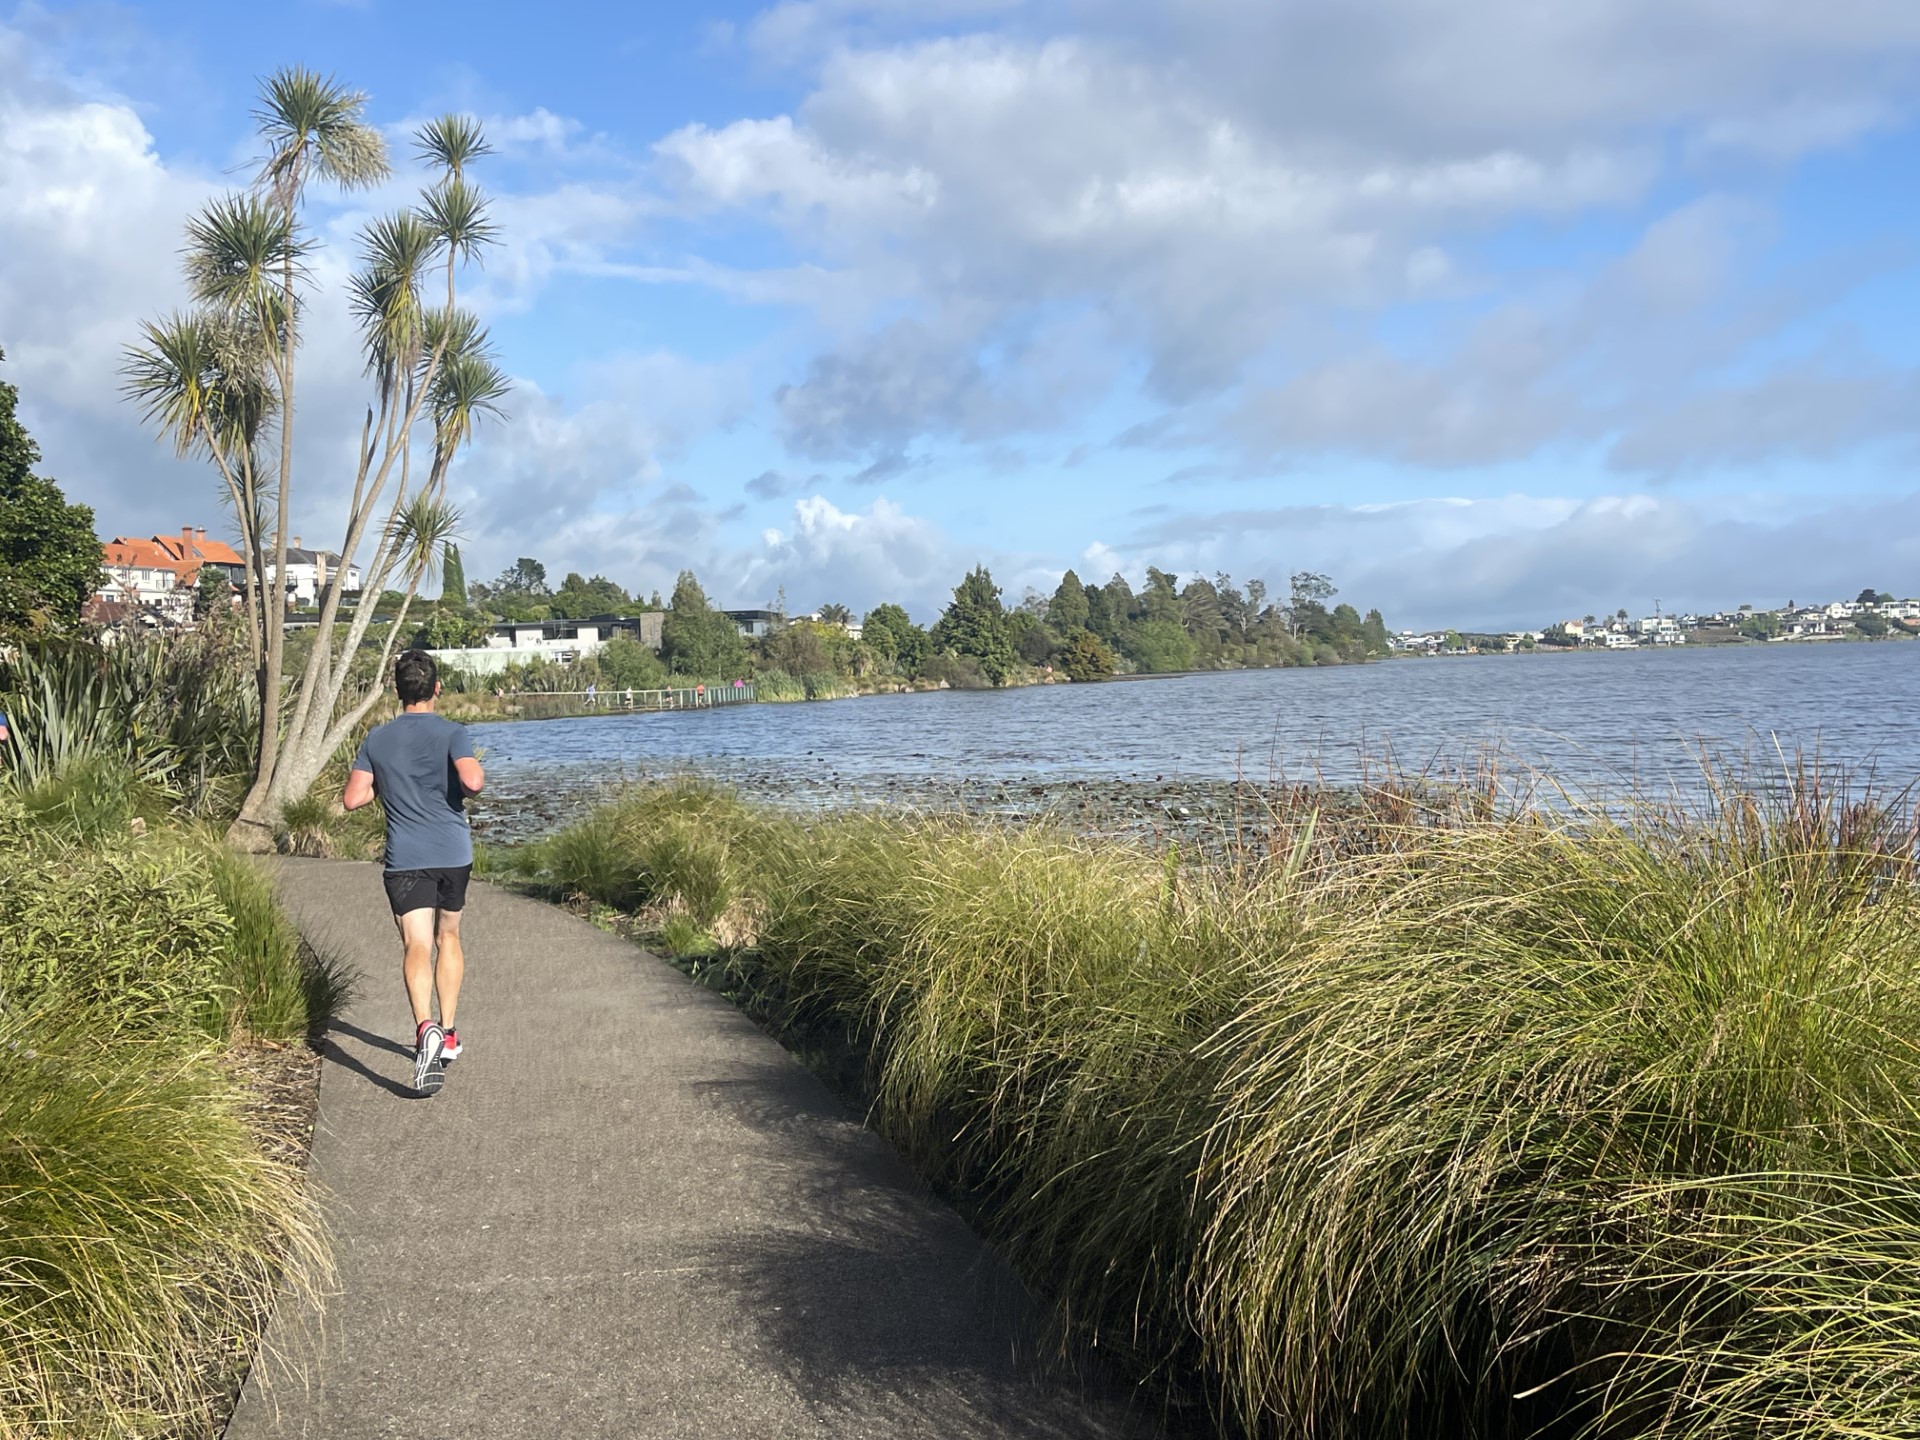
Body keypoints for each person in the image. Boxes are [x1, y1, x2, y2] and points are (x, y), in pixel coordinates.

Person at [342, 650, 485, 1096]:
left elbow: (353, 799)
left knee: (416, 944)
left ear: (397, 690)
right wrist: (461, 779)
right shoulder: (452, 732)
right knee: (449, 939)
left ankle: (424, 1028)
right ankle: (449, 1031)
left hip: (405, 857)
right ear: (436, 688)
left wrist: (387, 782)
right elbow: (474, 781)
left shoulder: (377, 740)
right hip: (452, 853)